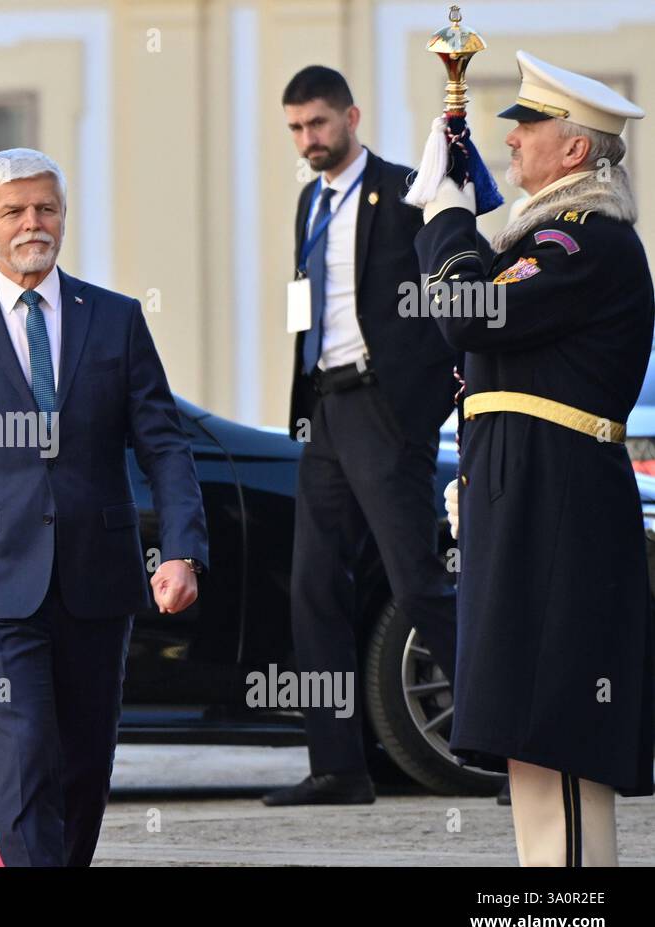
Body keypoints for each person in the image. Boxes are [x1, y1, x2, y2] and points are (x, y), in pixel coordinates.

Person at [0, 148, 208, 866]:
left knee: (84, 764)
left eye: (45, 208)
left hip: (98, 579)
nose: (32, 223)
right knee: (27, 750)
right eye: (14, 211)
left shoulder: (115, 319)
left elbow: (164, 446)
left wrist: (184, 549)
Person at [419, 51, 652, 866]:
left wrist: (448, 220)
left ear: (577, 150)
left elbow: (466, 314)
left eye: (528, 128)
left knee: (562, 723)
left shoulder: (588, 243)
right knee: (523, 720)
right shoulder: (545, 240)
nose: (510, 144)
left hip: (560, 502)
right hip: (521, 494)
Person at [265, 67, 464, 807]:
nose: (307, 140)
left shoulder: (408, 192)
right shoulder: (307, 202)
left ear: (351, 115)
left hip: (386, 410)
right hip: (324, 409)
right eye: (294, 128)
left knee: (417, 582)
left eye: (317, 123)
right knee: (315, 588)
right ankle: (337, 767)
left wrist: (423, 408)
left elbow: (455, 295)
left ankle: (513, 750)